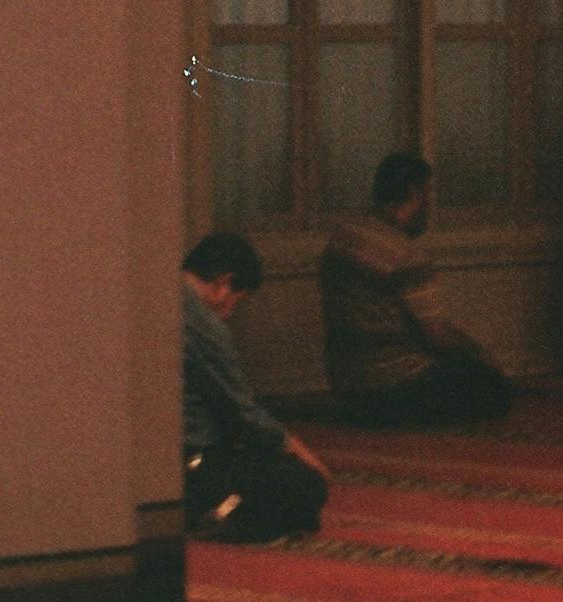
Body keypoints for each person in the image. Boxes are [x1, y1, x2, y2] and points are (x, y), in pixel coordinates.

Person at [319, 152, 515, 425]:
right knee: (493, 390)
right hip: (396, 379)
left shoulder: (343, 236)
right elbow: (436, 335)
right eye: (427, 194)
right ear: (414, 192)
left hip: (344, 377)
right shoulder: (405, 255)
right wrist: (482, 358)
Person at [183, 232, 330, 541]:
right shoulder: (201, 324)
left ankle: (223, 508)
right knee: (305, 483)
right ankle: (225, 514)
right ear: (225, 284)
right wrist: (298, 450)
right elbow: (241, 412)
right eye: (234, 305)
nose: (229, 314)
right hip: (195, 461)